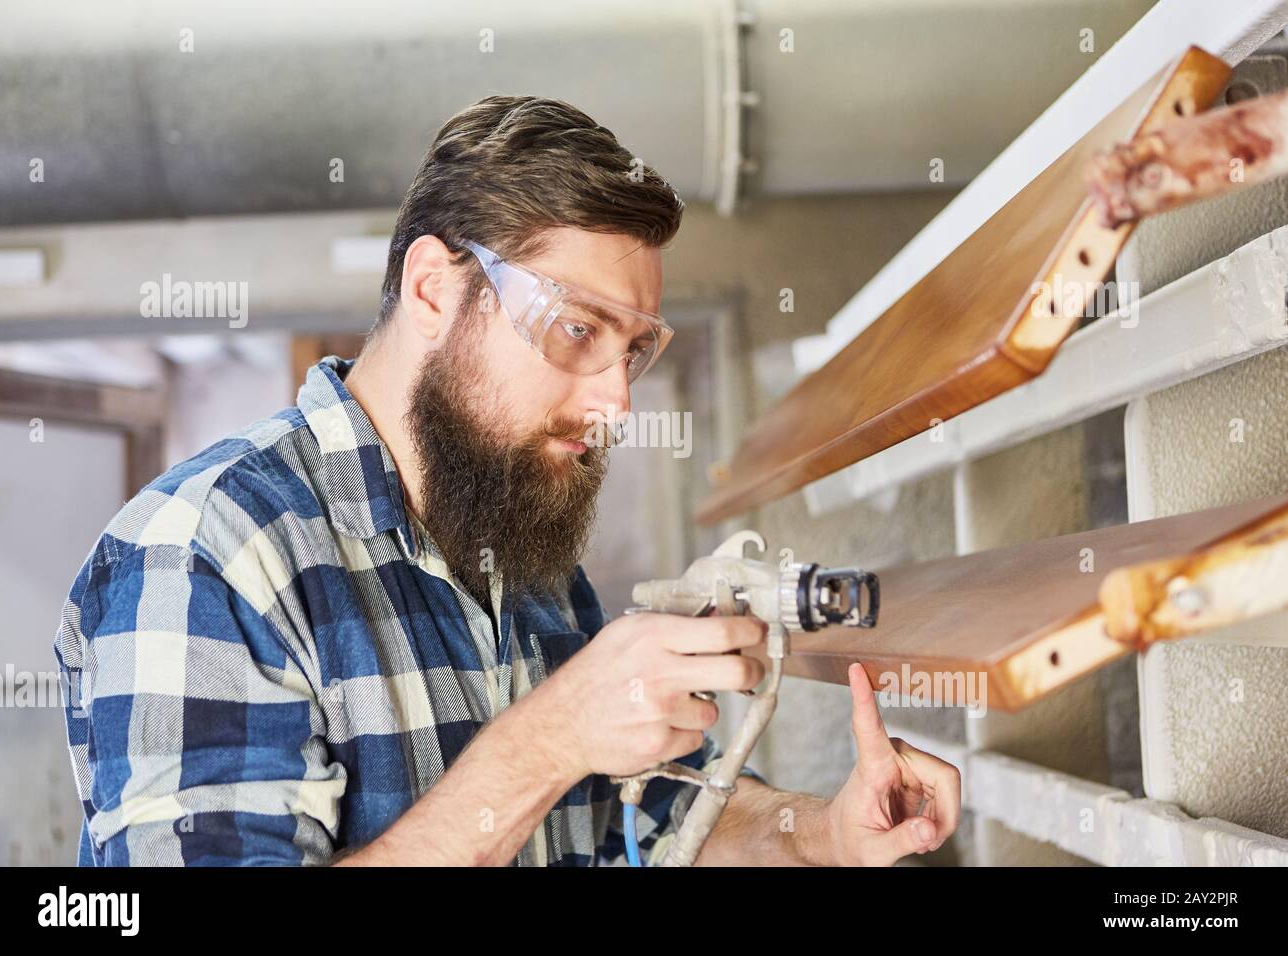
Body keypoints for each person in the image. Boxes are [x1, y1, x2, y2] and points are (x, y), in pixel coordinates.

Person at [55, 95, 959, 866]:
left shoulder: (519, 553)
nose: (616, 405)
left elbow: (655, 812)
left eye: (634, 351)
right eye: (576, 332)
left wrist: (821, 833)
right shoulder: (202, 554)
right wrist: (553, 736)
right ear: (435, 291)